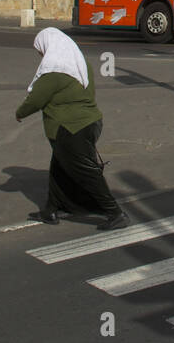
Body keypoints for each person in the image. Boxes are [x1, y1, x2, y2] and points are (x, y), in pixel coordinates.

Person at [15, 28, 128, 230]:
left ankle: (114, 213)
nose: (41, 55)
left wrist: (20, 113)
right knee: (59, 169)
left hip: (70, 128)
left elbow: (36, 99)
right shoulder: (81, 64)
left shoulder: (53, 70)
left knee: (86, 171)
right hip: (90, 122)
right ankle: (50, 210)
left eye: (41, 50)